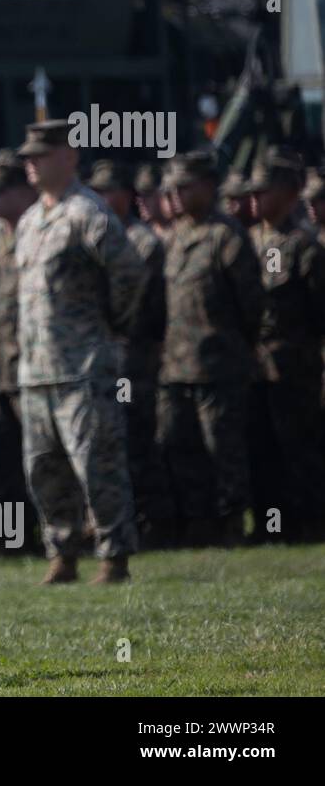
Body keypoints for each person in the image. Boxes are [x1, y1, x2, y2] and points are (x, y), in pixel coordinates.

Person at [15, 120, 146, 584]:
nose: (31, 163)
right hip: (36, 371)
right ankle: (62, 554)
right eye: (28, 156)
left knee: (97, 466)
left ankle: (114, 557)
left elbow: (129, 271)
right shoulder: (30, 222)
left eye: (41, 155)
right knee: (43, 472)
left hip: (83, 367)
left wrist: (111, 325)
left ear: (69, 156)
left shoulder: (86, 212)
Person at [156, 148, 263, 548]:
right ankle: (198, 522)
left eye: (185, 187)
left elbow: (251, 305)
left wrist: (234, 347)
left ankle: (232, 523)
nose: (177, 195)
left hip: (219, 364)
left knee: (224, 449)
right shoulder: (176, 236)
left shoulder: (226, 235)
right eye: (173, 188)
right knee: (175, 443)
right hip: (175, 365)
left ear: (207, 186)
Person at [87, 159, 169, 547]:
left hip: (133, 360)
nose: (102, 199)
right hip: (100, 359)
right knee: (105, 441)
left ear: (126, 196)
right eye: (96, 192)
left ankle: (153, 521)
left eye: (109, 191)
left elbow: (144, 308)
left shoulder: (143, 242)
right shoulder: (93, 238)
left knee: (138, 438)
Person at [246, 148, 325, 542]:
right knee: (264, 453)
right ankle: (270, 525)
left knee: (299, 450)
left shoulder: (303, 245)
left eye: (263, 191)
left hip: (296, 366)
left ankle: (308, 524)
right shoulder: (252, 241)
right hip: (256, 367)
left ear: (286, 193)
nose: (254, 198)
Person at [0, 150, 37, 524]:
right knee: (1, 458)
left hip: (33, 366)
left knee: (43, 457)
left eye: (0, 192)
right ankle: (15, 534)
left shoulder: (39, 228)